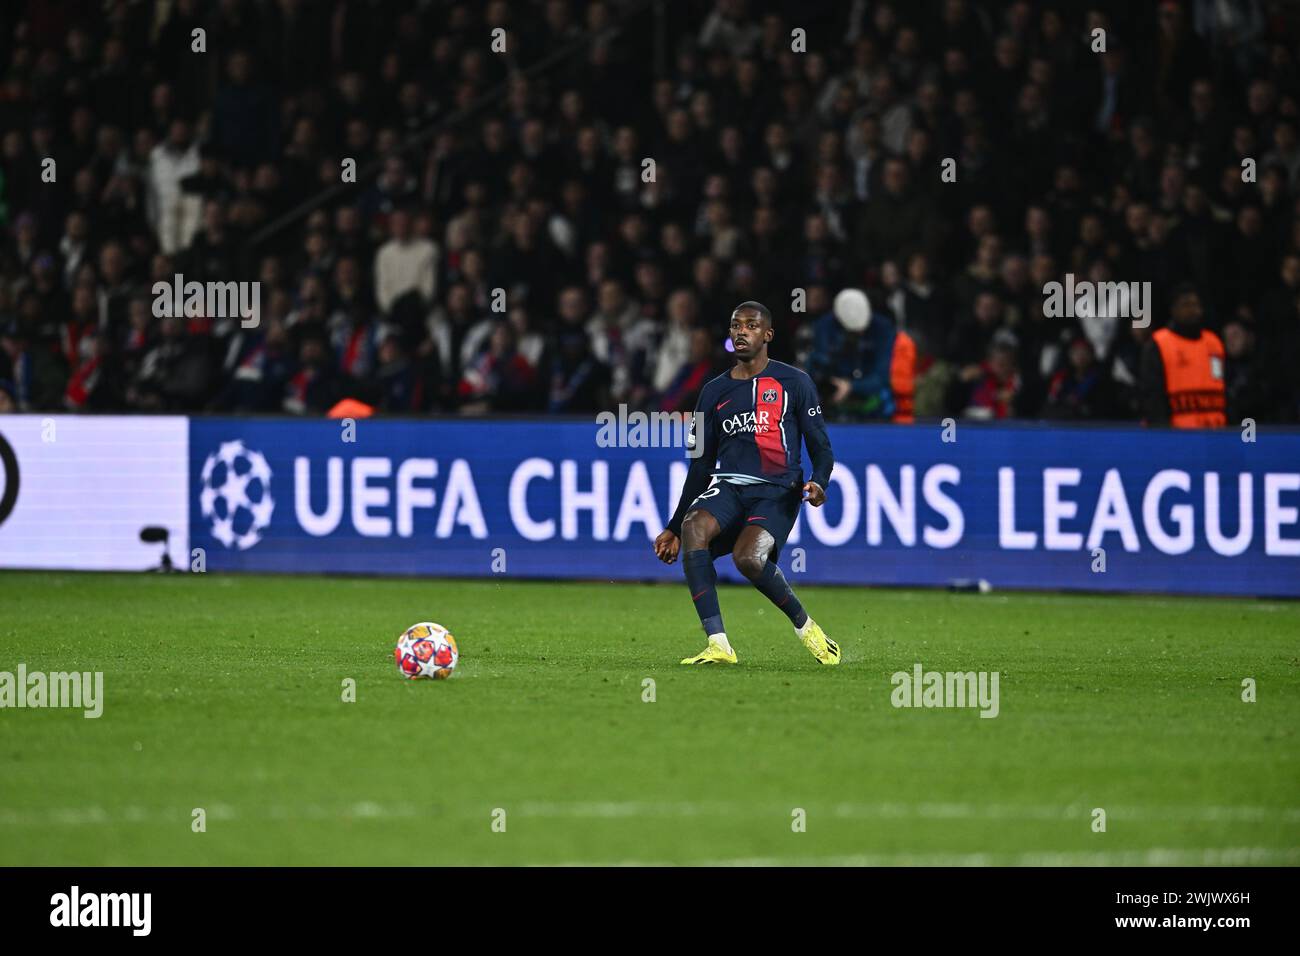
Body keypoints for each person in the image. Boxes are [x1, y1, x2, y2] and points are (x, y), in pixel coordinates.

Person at [652, 301, 839, 666]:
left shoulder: (795, 382)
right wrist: (673, 526)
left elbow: (822, 448)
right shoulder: (712, 392)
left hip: (777, 490)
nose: (742, 331)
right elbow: (700, 465)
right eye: (736, 325)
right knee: (694, 527)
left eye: (751, 326)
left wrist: (819, 482)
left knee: (748, 559)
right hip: (729, 487)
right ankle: (719, 645)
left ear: (768, 334)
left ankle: (807, 628)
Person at [1141, 284, 1226, 427]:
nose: (1193, 310)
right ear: (1174, 309)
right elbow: (1152, 395)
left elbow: (1222, 387)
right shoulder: (1160, 343)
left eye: (1196, 305)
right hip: (1178, 433)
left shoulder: (1214, 343)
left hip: (1217, 431)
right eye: (1186, 305)